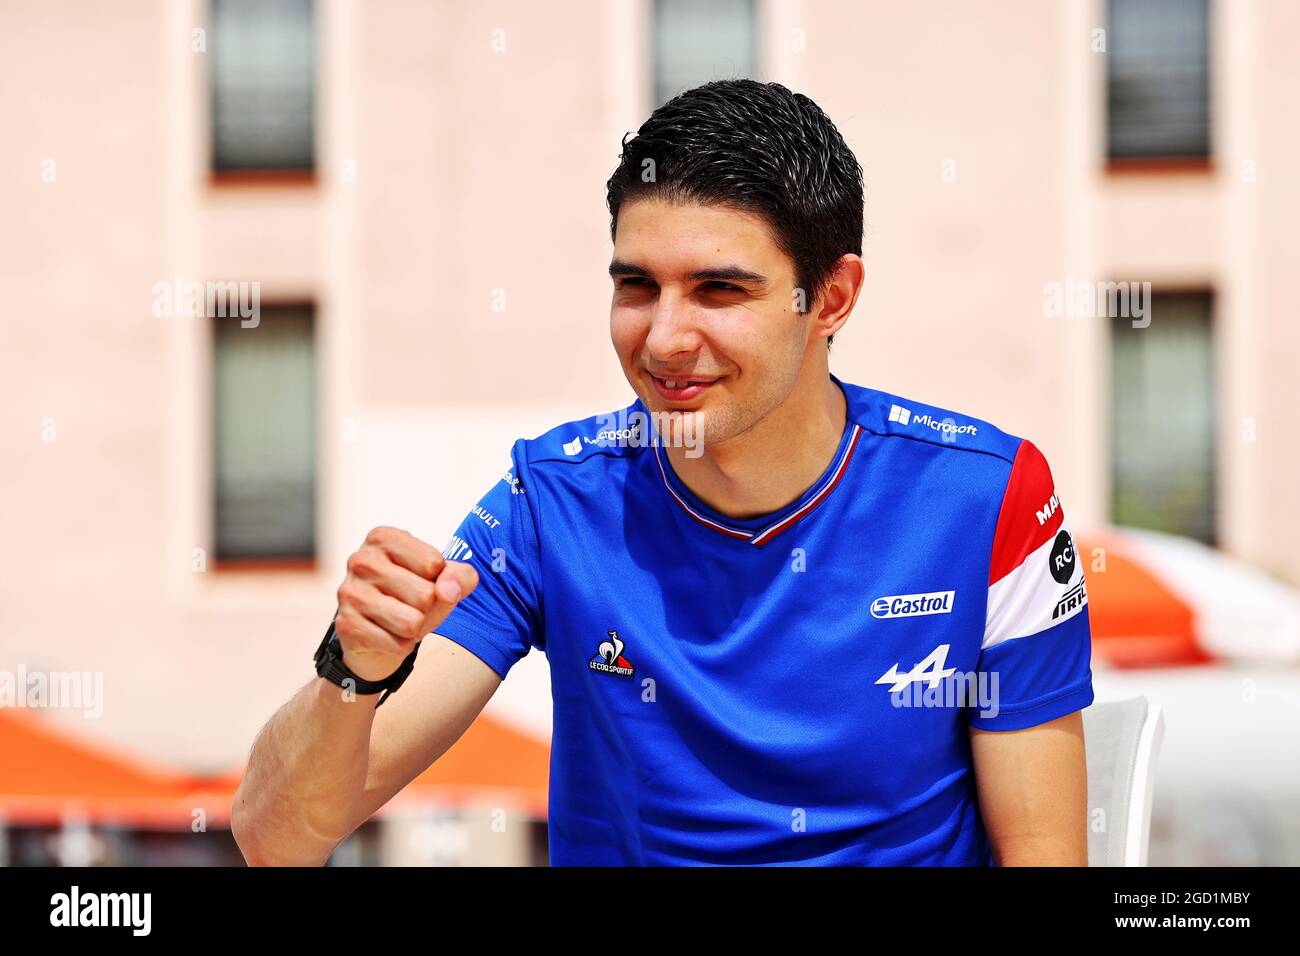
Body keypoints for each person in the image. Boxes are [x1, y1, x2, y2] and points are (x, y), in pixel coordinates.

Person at [233, 79, 1093, 867]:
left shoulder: (988, 498)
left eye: (719, 290)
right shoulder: (552, 501)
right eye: (638, 285)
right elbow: (275, 839)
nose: (664, 338)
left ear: (831, 298)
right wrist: (355, 671)